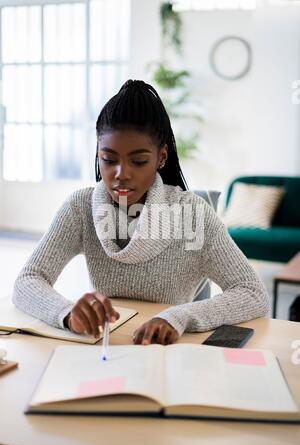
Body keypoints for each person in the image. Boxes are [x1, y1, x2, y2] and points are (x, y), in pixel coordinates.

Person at [13, 79, 270, 345]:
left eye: (138, 161)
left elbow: (252, 293)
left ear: (161, 157)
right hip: (105, 348)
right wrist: (66, 313)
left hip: (167, 353)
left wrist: (178, 317)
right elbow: (28, 280)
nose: (121, 174)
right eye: (109, 159)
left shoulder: (192, 213)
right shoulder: (80, 207)